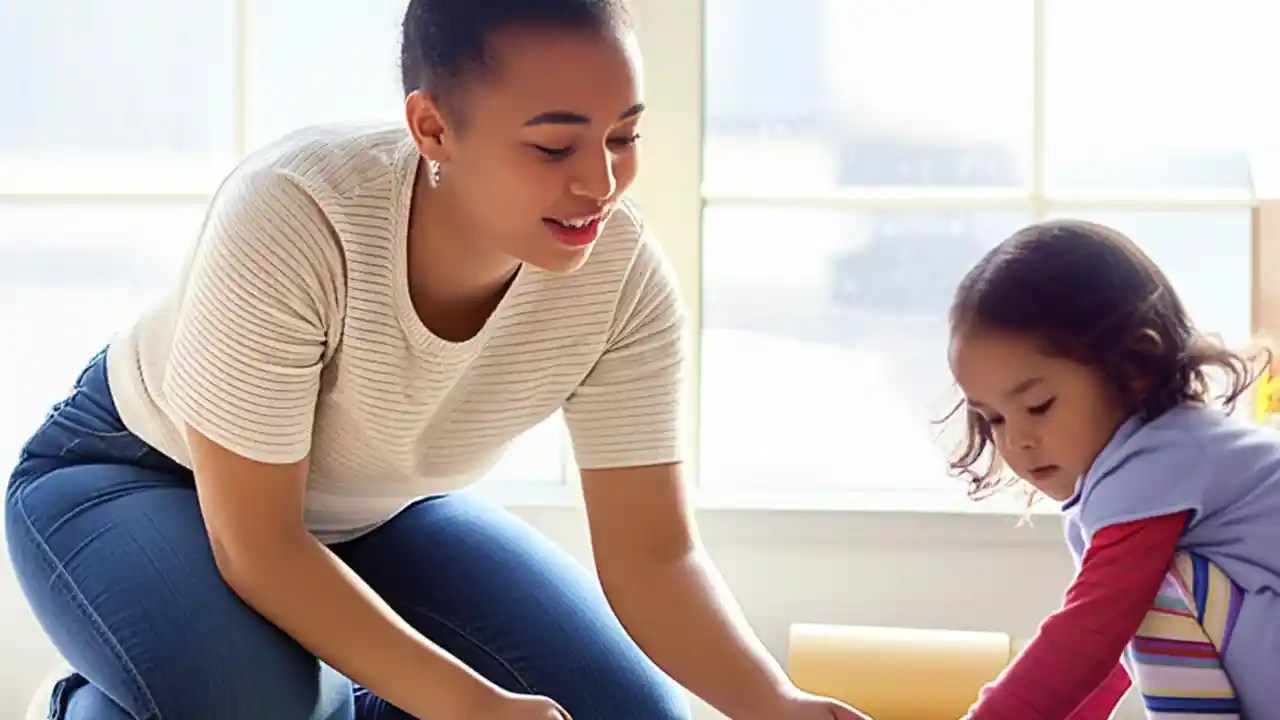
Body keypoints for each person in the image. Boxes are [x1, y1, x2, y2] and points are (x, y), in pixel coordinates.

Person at [4, 1, 870, 718]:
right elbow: (258, 543)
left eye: (623, 136)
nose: (600, 183)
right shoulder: (298, 212)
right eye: (554, 146)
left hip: (370, 511)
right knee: (266, 709)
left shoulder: (624, 282)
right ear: (432, 127)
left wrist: (772, 701)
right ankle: (102, 699)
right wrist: (467, 704)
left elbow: (652, 553)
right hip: (139, 476)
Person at [944, 219, 1280, 718]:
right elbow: (1107, 648)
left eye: (1038, 405)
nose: (1016, 440)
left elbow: (1089, 635)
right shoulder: (1146, 471)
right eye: (991, 419)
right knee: (1148, 596)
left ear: (1134, 368)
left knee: (1148, 594)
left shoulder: (1157, 459)